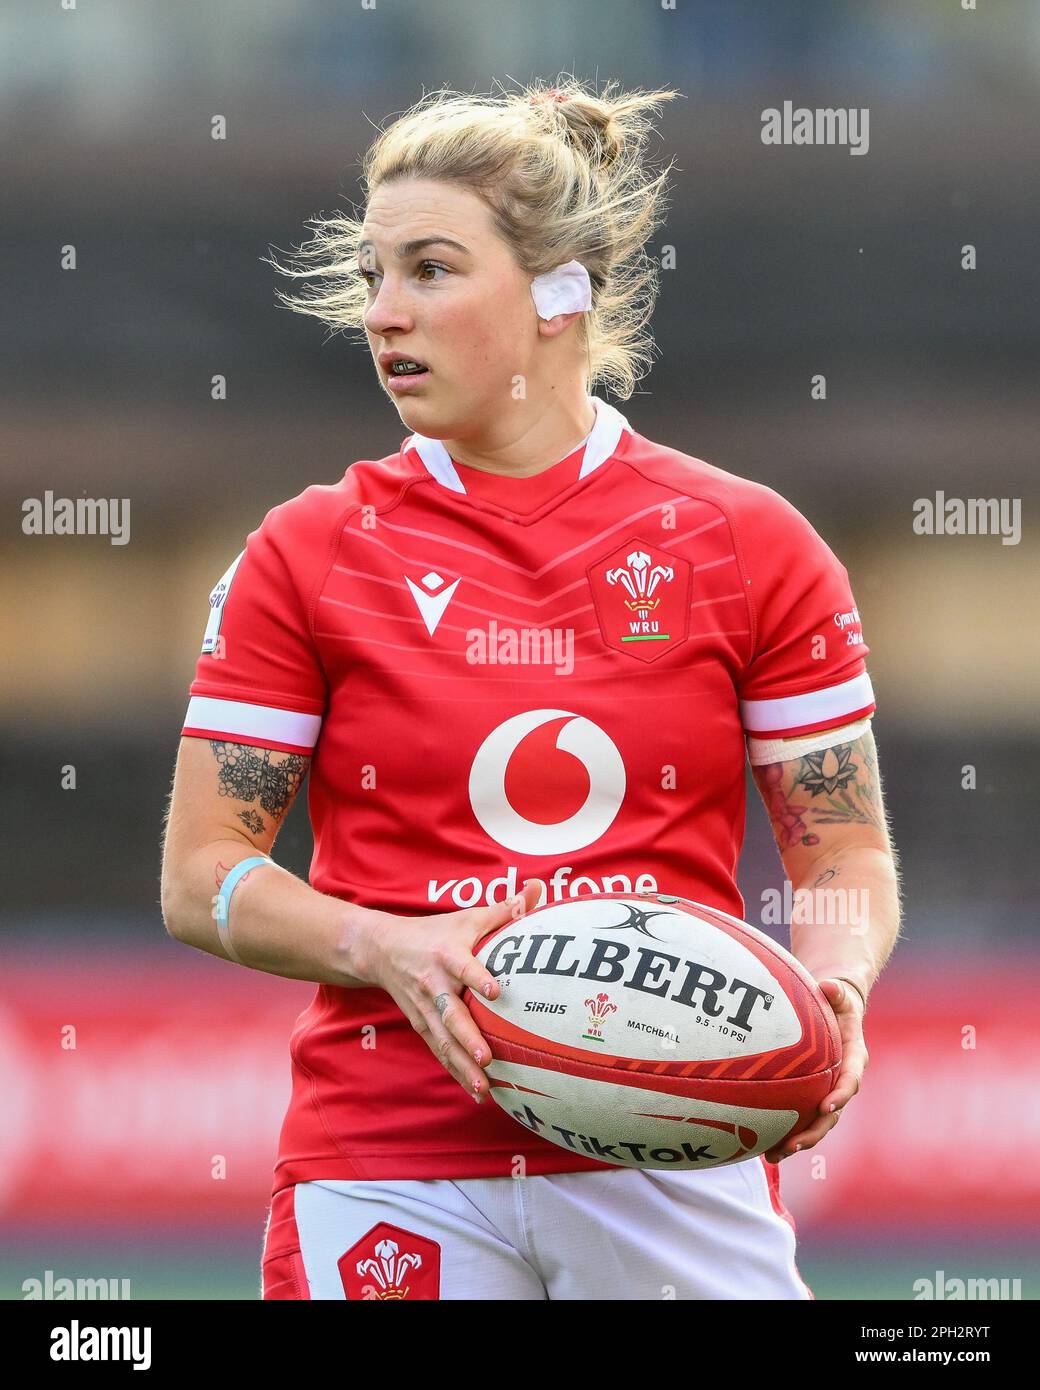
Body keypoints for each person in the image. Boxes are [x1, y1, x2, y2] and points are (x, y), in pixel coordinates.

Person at [160, 77, 900, 1300]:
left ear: (560, 292)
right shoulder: (305, 550)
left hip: (669, 1144)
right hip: (384, 1158)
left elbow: (839, 858)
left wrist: (829, 987)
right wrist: (381, 944)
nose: (384, 314)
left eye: (432, 270)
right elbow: (202, 877)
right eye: (372, 277)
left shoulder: (748, 543)